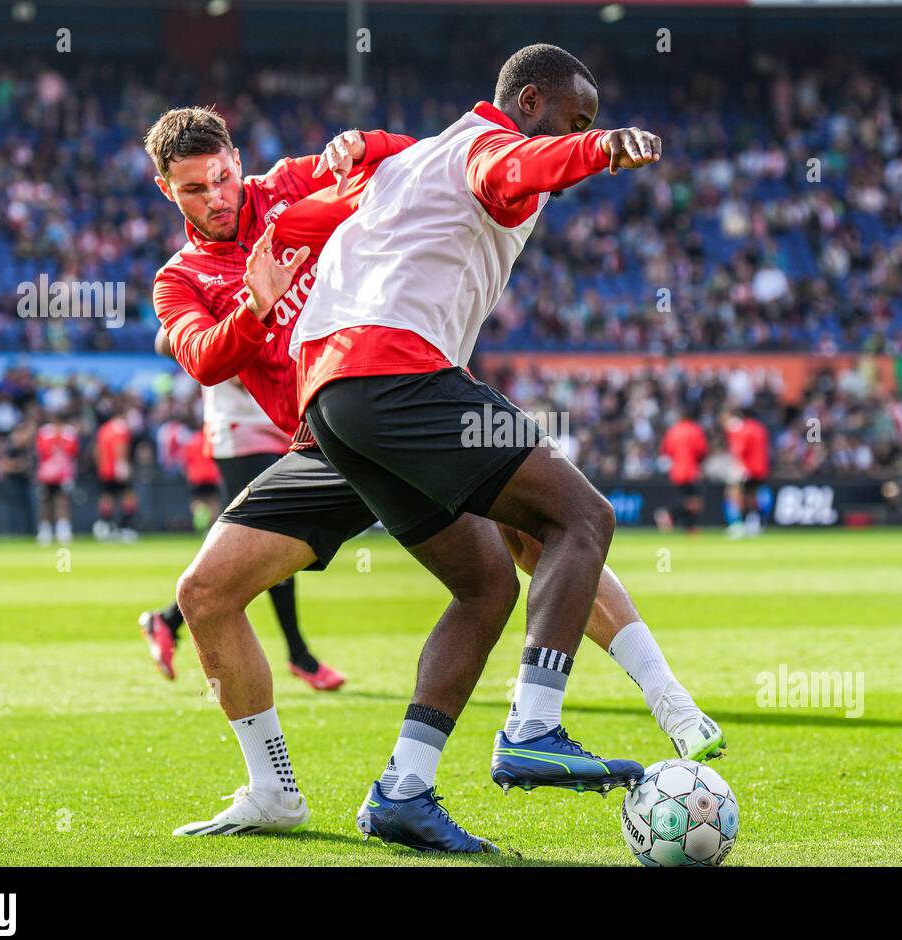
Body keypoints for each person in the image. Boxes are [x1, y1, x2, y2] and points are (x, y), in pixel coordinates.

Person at [147, 102, 720, 849]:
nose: (218, 197)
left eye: (223, 177)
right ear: (166, 190)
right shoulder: (180, 278)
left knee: (531, 534)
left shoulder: (293, 185)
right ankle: (277, 790)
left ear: (237, 160)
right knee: (202, 595)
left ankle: (672, 704)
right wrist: (254, 307)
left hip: (391, 399)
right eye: (195, 189)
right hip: (323, 440)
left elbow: (427, 160)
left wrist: (367, 142)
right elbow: (203, 358)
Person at [292, 43, 671, 851]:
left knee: (484, 583)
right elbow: (517, 169)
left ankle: (404, 789)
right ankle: (534, 728)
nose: (579, 128)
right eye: (574, 117)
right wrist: (600, 150)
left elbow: (315, 203)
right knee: (582, 517)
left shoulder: (411, 159)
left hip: (329, 398)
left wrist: (349, 147)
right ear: (529, 102)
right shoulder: (489, 148)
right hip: (398, 374)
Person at [137, 375, 346, 690]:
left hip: (279, 425)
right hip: (239, 427)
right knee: (273, 534)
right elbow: (170, 342)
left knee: (266, 538)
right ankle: (299, 655)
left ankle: (167, 620)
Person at [94, 402, 138, 542]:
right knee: (129, 497)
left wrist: (100, 467)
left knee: (107, 497)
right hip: (117, 468)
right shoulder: (121, 428)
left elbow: (97, 451)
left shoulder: (104, 429)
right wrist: (122, 466)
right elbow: (120, 447)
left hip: (105, 469)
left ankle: (106, 525)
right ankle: (124, 528)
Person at [34, 410, 78, 545]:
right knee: (46, 503)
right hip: (47, 474)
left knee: (62, 501)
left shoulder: (69, 433)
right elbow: (42, 451)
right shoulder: (44, 432)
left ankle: (63, 530)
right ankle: (45, 531)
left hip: (64, 474)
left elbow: (72, 451)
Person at [724, 408, 769, 538]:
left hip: (746, 468)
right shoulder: (761, 429)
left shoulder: (744, 430)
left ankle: (738, 524)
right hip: (760, 468)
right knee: (752, 496)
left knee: (735, 494)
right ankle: (754, 523)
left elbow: (739, 450)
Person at [661, 408, 708, 533]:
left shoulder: (673, 431)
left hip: (677, 471)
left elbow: (667, 450)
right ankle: (670, 515)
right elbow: (701, 451)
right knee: (695, 501)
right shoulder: (695, 430)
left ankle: (688, 527)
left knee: (686, 499)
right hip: (692, 471)